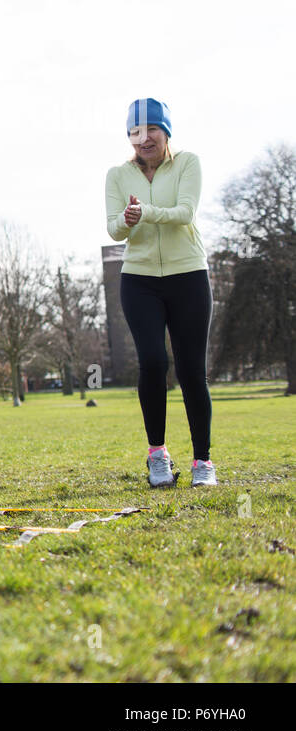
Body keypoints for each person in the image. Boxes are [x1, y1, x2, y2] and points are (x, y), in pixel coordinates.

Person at [105, 98, 216, 488]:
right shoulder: (117, 175)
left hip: (189, 275)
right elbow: (114, 229)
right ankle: (158, 456)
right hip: (139, 280)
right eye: (135, 132)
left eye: (151, 129)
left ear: (166, 131)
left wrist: (146, 212)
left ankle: (203, 461)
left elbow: (185, 212)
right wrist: (127, 218)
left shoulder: (188, 163)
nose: (144, 138)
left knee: (191, 371)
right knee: (152, 363)